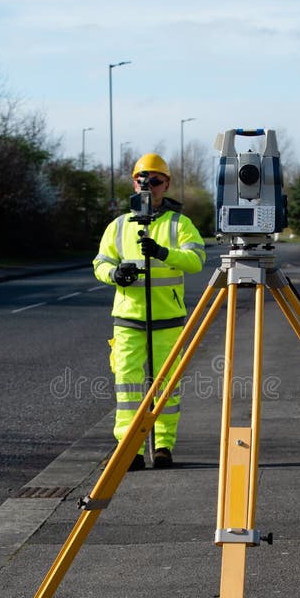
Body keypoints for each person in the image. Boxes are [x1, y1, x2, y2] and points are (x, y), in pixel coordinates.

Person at [93, 153, 206, 470]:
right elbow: (100, 263)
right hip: (128, 319)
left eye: (156, 180)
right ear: (134, 182)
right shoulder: (118, 226)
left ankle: (162, 446)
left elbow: (195, 260)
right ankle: (128, 448)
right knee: (127, 387)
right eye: (143, 179)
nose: (149, 185)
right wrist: (114, 275)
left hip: (167, 320)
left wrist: (162, 252)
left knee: (166, 385)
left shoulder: (178, 224)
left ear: (167, 183)